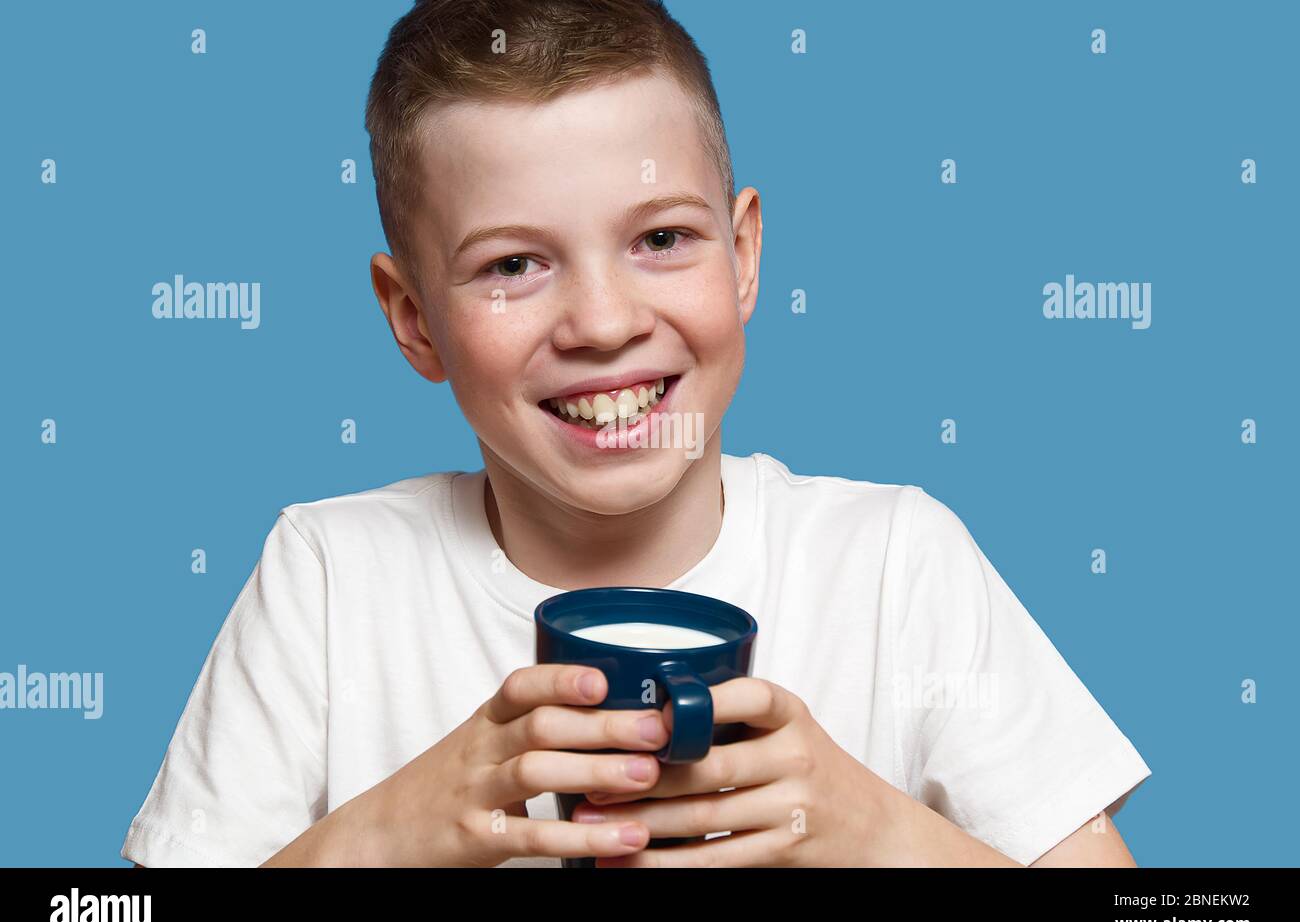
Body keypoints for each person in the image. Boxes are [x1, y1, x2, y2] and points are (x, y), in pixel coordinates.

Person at [122, 0, 1150, 868]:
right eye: (513, 264)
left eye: (661, 239)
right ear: (414, 319)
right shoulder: (330, 581)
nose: (605, 323)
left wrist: (873, 827)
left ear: (743, 254)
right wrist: (386, 833)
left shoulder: (893, 564)